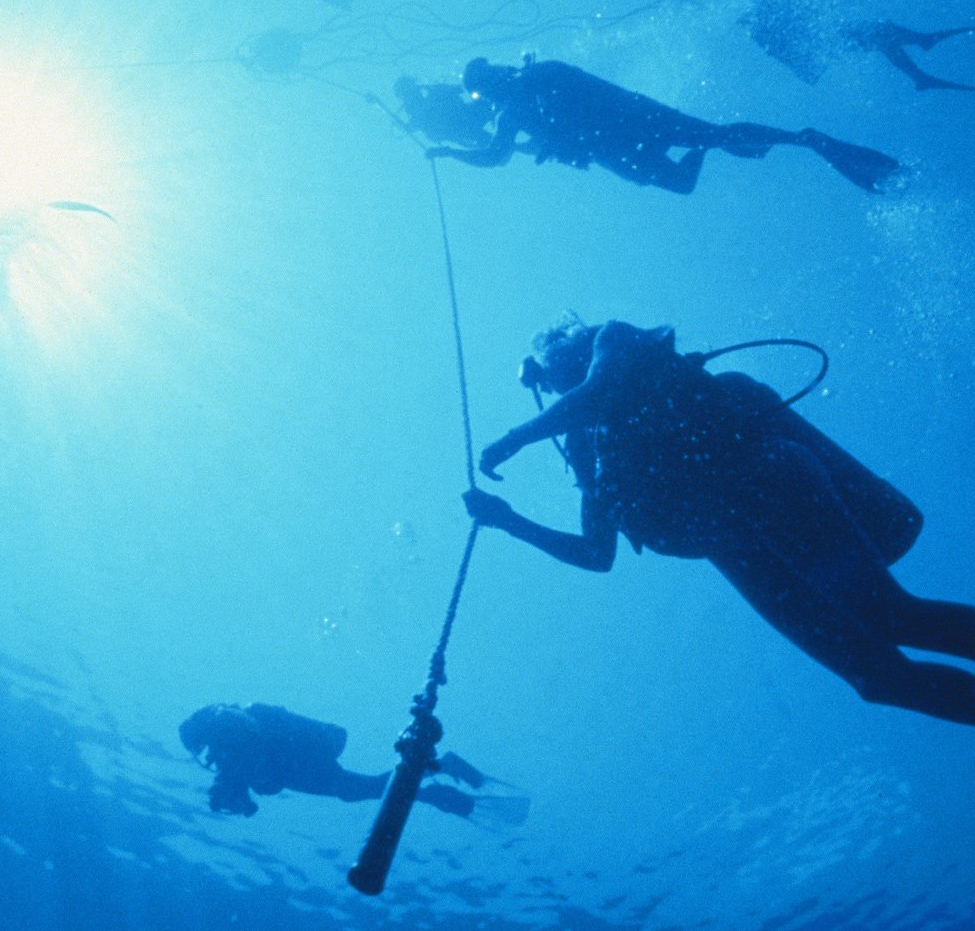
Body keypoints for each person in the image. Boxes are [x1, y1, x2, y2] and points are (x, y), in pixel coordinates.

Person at [464, 317, 975, 726]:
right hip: (724, 539)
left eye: (553, 366)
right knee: (875, 679)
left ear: (570, 346)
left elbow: (603, 387)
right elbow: (596, 555)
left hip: (762, 479)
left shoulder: (614, 339)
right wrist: (509, 521)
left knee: (888, 615)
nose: (552, 381)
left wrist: (515, 438)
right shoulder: (587, 443)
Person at [425, 55, 901, 194]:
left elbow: (495, 156)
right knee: (696, 157)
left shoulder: (521, 101)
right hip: (629, 125)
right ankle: (801, 139)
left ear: (487, 87)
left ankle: (805, 140)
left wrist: (449, 153)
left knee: (699, 152)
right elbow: (498, 153)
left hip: (623, 133)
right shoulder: (535, 81)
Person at [179, 702, 529, 821]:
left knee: (355, 789)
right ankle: (436, 781)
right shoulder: (227, 743)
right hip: (299, 759)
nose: (209, 757)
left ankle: (438, 775)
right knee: (363, 790)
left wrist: (237, 790)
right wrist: (236, 797)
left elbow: (255, 767)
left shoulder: (232, 732)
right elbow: (251, 788)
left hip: (308, 750)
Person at [742, 0, 975, 92]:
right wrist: (805, 66)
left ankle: (920, 67)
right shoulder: (765, 10)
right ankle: (922, 50)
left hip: (822, 41)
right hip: (818, 47)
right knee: (879, 32)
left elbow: (814, 12)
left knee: (880, 34)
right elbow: (774, 42)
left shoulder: (780, 1)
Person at [392, 75, 496, 148]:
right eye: (406, 93)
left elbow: (459, 89)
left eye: (411, 89)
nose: (411, 94)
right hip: (458, 128)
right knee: (492, 143)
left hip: (463, 119)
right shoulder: (414, 108)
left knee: (489, 104)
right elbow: (417, 124)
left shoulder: (433, 91)